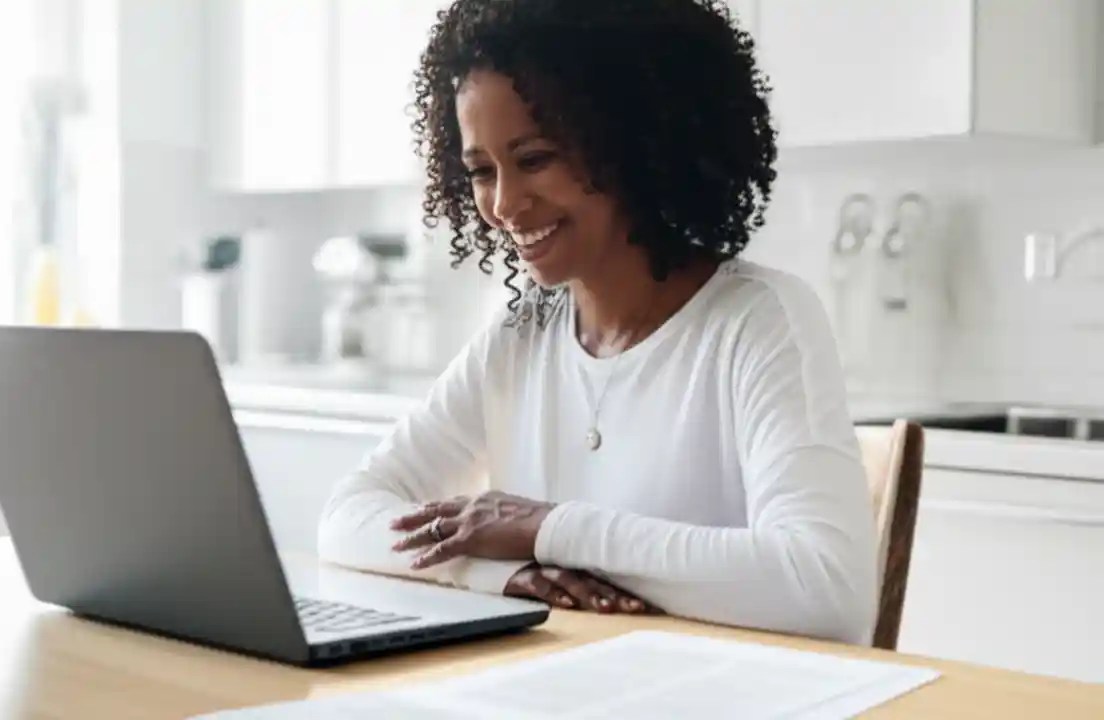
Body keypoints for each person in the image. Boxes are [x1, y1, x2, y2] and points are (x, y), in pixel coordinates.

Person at [317, 0, 877, 644]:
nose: (503, 204)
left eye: (534, 160)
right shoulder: (520, 335)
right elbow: (346, 517)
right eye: (480, 171)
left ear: (635, 142)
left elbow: (828, 589)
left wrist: (546, 527)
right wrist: (495, 573)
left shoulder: (759, 323)